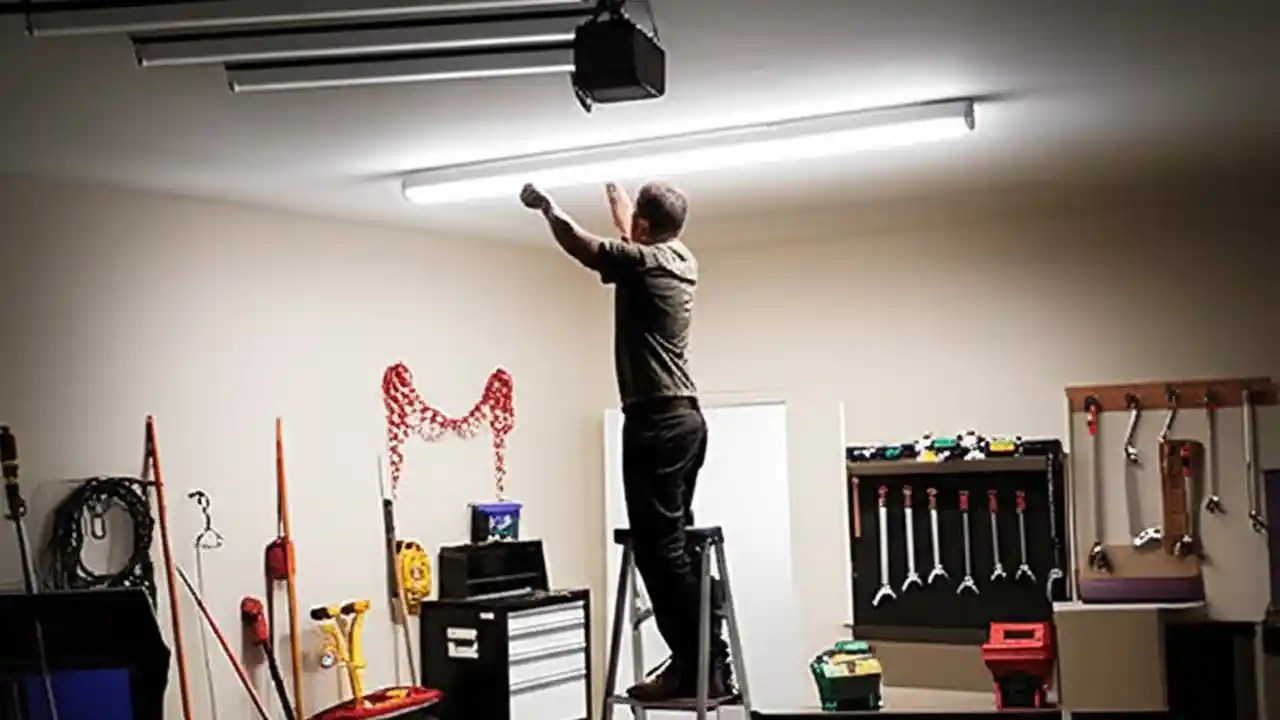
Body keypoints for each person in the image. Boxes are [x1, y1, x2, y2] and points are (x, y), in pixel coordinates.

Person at [520, 181, 733, 703]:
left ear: (644, 226)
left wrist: (547, 208)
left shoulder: (639, 262)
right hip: (686, 420)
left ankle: (694, 666)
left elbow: (583, 245)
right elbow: (628, 236)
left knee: (660, 553)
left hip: (655, 423)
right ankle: (712, 660)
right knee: (677, 543)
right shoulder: (679, 258)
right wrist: (620, 202)